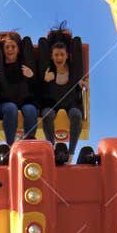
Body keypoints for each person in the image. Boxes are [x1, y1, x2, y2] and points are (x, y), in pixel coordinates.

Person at [38, 34, 86, 162]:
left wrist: (81, 82)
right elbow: (42, 42)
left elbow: (76, 41)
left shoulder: (74, 71)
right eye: (56, 55)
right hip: (51, 103)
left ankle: (71, 153)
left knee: (76, 114)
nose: (59, 58)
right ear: (51, 56)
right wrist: (44, 80)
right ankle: (51, 149)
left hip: (70, 103)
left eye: (62, 55)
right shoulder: (48, 70)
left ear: (66, 55)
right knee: (47, 114)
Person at [0, 33, 39, 145]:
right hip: (6, 103)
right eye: (7, 47)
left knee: (31, 110)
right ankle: (11, 145)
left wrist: (31, 77)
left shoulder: (24, 65)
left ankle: (29, 143)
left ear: (18, 50)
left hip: (25, 101)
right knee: (11, 108)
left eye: (13, 47)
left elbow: (36, 88)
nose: (10, 49)